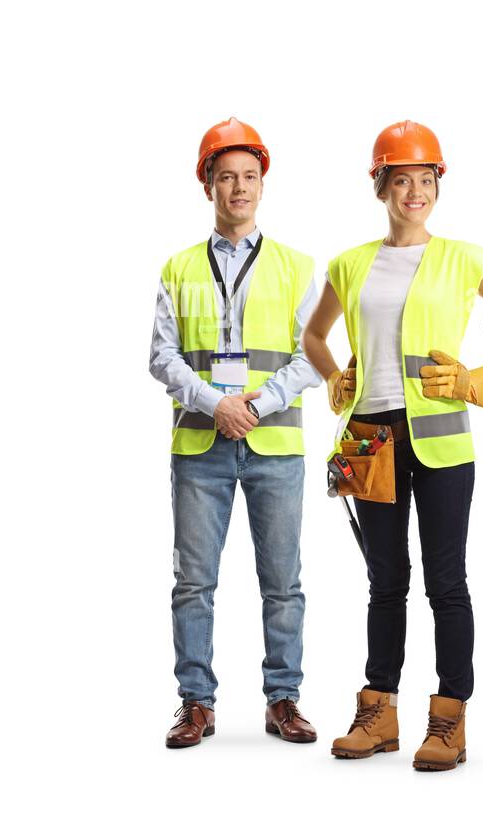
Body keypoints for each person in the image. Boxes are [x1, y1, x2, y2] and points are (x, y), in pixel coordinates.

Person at [302, 120, 483, 771]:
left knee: (447, 582)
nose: (413, 191)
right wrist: (336, 378)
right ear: (380, 186)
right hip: (371, 441)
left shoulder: (466, 257)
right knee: (385, 581)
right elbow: (314, 336)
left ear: (437, 185)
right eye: (400, 179)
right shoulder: (351, 262)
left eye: (424, 179)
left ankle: (449, 719)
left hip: (443, 442)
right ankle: (378, 710)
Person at [150, 117, 321, 748]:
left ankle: (283, 699)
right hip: (200, 446)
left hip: (274, 446)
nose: (238, 189)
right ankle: (196, 702)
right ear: (208, 186)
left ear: (261, 184)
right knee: (194, 581)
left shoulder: (298, 267)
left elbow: (314, 353)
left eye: (249, 177)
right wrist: (212, 403)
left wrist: (263, 402)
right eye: (226, 178)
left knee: (283, 581)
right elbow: (161, 356)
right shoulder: (177, 268)